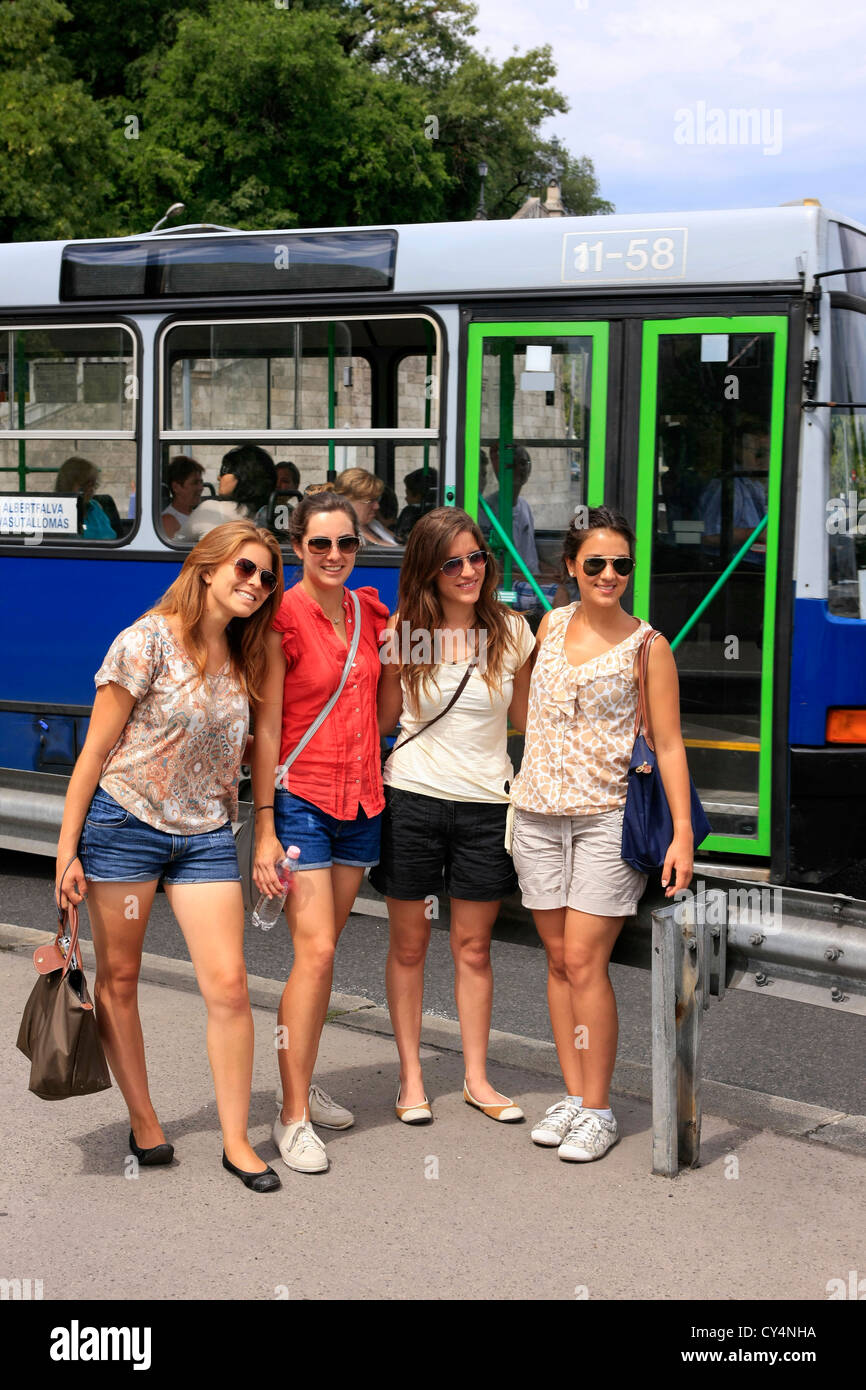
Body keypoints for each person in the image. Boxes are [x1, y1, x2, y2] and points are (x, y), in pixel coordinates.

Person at [54, 521, 285, 1193]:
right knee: (120, 979)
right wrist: (66, 853)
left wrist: (265, 825)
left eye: (267, 576)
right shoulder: (146, 640)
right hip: (125, 823)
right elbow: (94, 753)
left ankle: (237, 1141)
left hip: (207, 833)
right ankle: (144, 1118)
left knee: (230, 985)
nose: (256, 583)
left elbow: (259, 745)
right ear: (207, 568)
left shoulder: (248, 653)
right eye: (244, 568)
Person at [509, 505, 695, 1163]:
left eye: (621, 563)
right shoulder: (550, 624)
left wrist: (682, 833)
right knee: (558, 960)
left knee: (586, 961)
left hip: (607, 820)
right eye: (596, 563)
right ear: (571, 566)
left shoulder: (649, 647)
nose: (609, 573)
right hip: (536, 815)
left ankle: (598, 1108)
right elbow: (525, 710)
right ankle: (572, 1092)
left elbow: (669, 744)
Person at [372, 508, 534, 1124]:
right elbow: (385, 722)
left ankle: (477, 1078)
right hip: (412, 799)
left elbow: (527, 721)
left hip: (488, 807)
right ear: (427, 571)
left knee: (473, 948)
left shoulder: (512, 631)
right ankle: (411, 1077)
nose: (469, 571)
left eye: (476, 558)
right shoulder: (406, 632)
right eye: (452, 563)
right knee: (410, 945)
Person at [251, 492, 388, 1174]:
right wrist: (264, 826)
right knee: (318, 950)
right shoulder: (283, 618)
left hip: (362, 801)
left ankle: (298, 1084)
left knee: (323, 959)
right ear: (297, 547)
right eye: (320, 545)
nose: (335, 556)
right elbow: (266, 726)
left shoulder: (369, 611)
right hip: (302, 800)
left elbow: (384, 702)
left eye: (346, 543)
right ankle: (292, 1116)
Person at [181, 444, 276, 541]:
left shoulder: (211, 509)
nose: (219, 477)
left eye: (224, 470)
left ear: (243, 476)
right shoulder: (273, 514)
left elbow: (178, 541)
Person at [482, 443, 540, 575]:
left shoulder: (524, 506)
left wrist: (551, 572)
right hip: (515, 581)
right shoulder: (487, 510)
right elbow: (497, 566)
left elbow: (530, 558)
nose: (519, 469)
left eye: (523, 463)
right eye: (511, 465)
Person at [333, 467, 398, 547]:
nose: (377, 506)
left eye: (377, 499)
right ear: (347, 501)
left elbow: (399, 544)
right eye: (370, 500)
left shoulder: (374, 525)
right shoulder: (339, 533)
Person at [55, 456, 116, 540]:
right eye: (85, 484)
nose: (90, 489)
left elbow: (111, 536)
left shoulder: (95, 507)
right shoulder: (57, 513)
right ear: (67, 486)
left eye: (93, 485)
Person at [162, 455, 204, 539]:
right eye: (195, 483)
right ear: (176, 487)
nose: (201, 488)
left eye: (201, 482)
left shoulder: (198, 514)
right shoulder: (168, 521)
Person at [395, 466, 438, 542]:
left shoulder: (409, 512)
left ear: (418, 496)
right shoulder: (439, 511)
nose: (406, 498)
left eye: (407, 494)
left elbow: (399, 536)